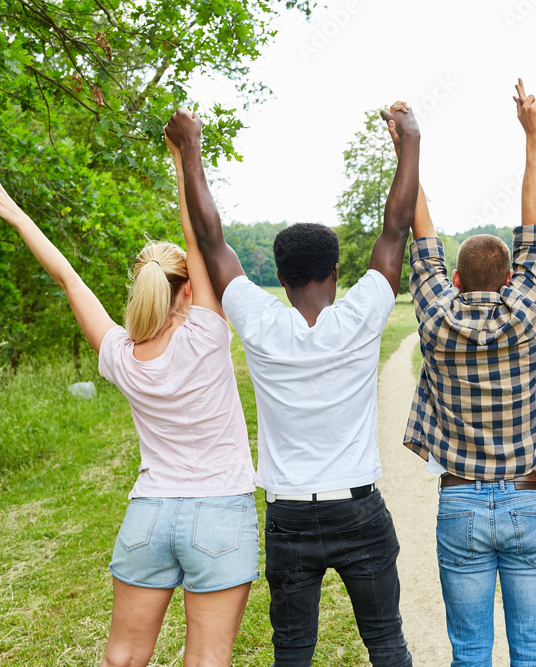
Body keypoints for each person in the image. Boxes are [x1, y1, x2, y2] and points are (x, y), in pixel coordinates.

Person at [0, 133, 259, 667]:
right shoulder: (208, 334)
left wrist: (18, 215)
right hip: (219, 512)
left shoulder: (119, 355)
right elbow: (200, 238)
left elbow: (67, 277)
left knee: (121, 658)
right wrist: (181, 159)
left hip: (147, 517)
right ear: (188, 289)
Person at [163, 104, 419, 667]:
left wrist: (191, 151)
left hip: (289, 518)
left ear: (278, 277)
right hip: (358, 510)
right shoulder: (361, 315)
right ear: (335, 275)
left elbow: (211, 239)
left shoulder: (257, 319)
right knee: (387, 643)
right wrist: (410, 143)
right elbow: (396, 227)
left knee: (294, 652)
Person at [401, 79, 536, 666]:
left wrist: (407, 150)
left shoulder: (438, 315)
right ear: (515, 273)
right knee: (533, 654)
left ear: (458, 280)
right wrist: (534, 135)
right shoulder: (528, 310)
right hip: (526, 500)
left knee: (469, 652)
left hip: (460, 505)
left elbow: (424, 241)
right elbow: (534, 221)